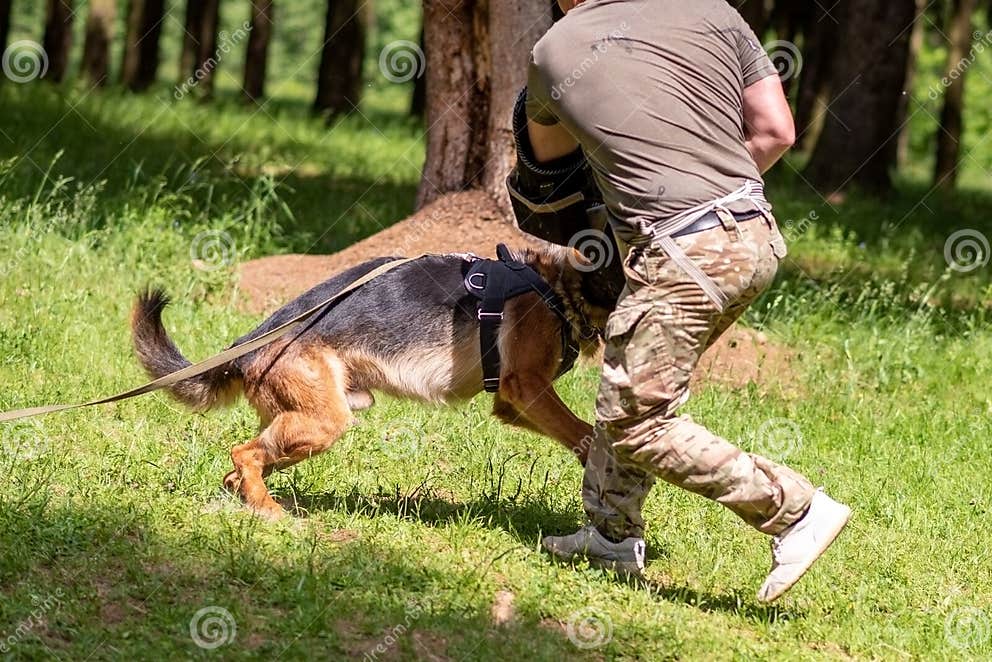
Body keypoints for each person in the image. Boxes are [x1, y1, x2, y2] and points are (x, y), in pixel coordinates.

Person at [523, 0, 851, 602]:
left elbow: (545, 165)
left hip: (681, 249)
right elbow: (777, 131)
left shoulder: (555, 49)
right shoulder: (713, 9)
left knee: (636, 423)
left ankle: (794, 510)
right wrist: (711, 192)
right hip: (754, 233)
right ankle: (610, 535)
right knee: (629, 380)